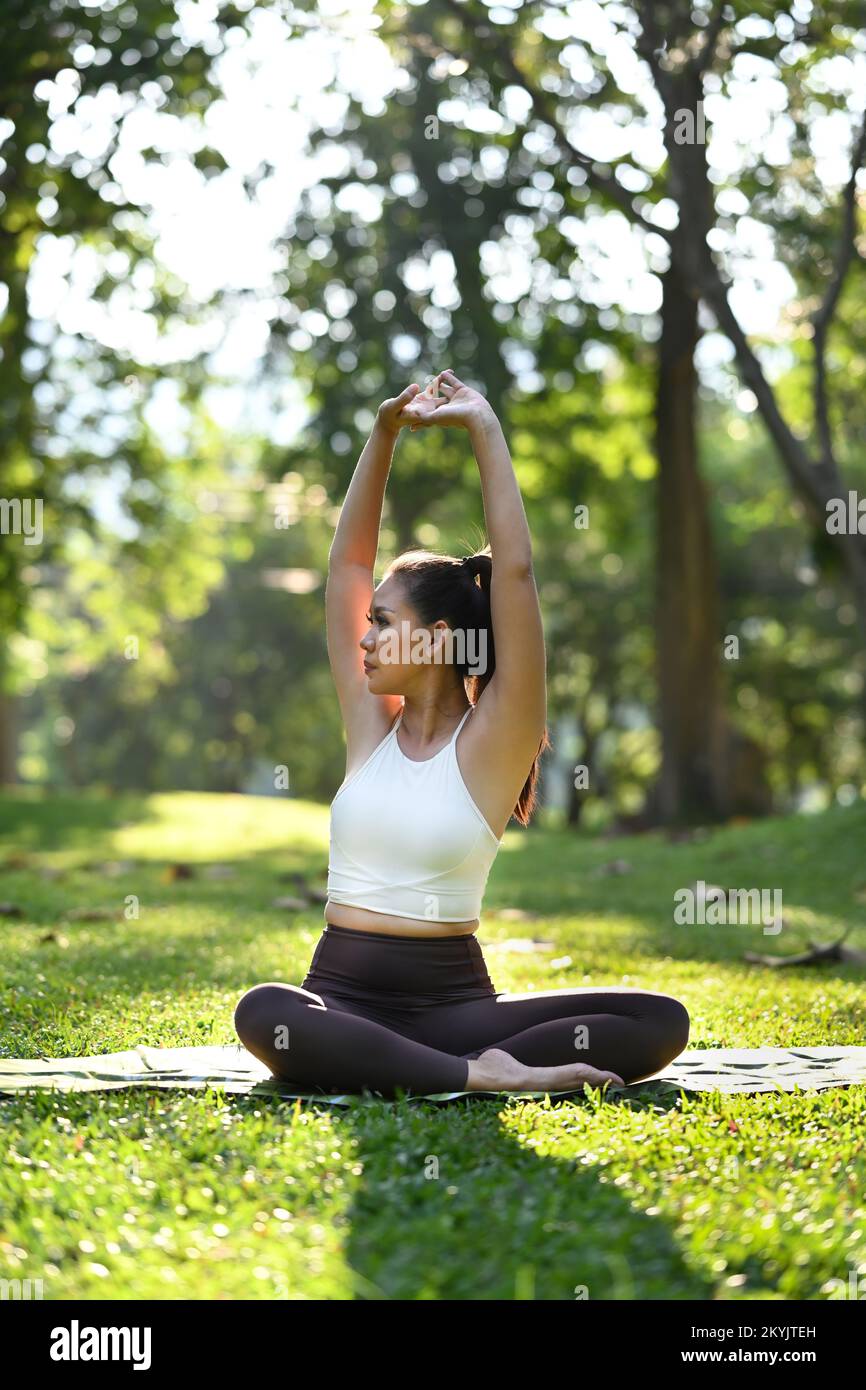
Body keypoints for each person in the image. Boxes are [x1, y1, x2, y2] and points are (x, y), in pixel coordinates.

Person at [234, 370, 690, 1098]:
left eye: (384, 623)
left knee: (657, 1018)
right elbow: (347, 566)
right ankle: (482, 1079)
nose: (366, 637)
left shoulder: (493, 742)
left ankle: (444, 1065)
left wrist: (484, 426)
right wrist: (383, 433)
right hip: (343, 999)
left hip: (456, 1011)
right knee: (264, 1011)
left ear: (438, 639)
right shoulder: (370, 730)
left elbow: (514, 573)